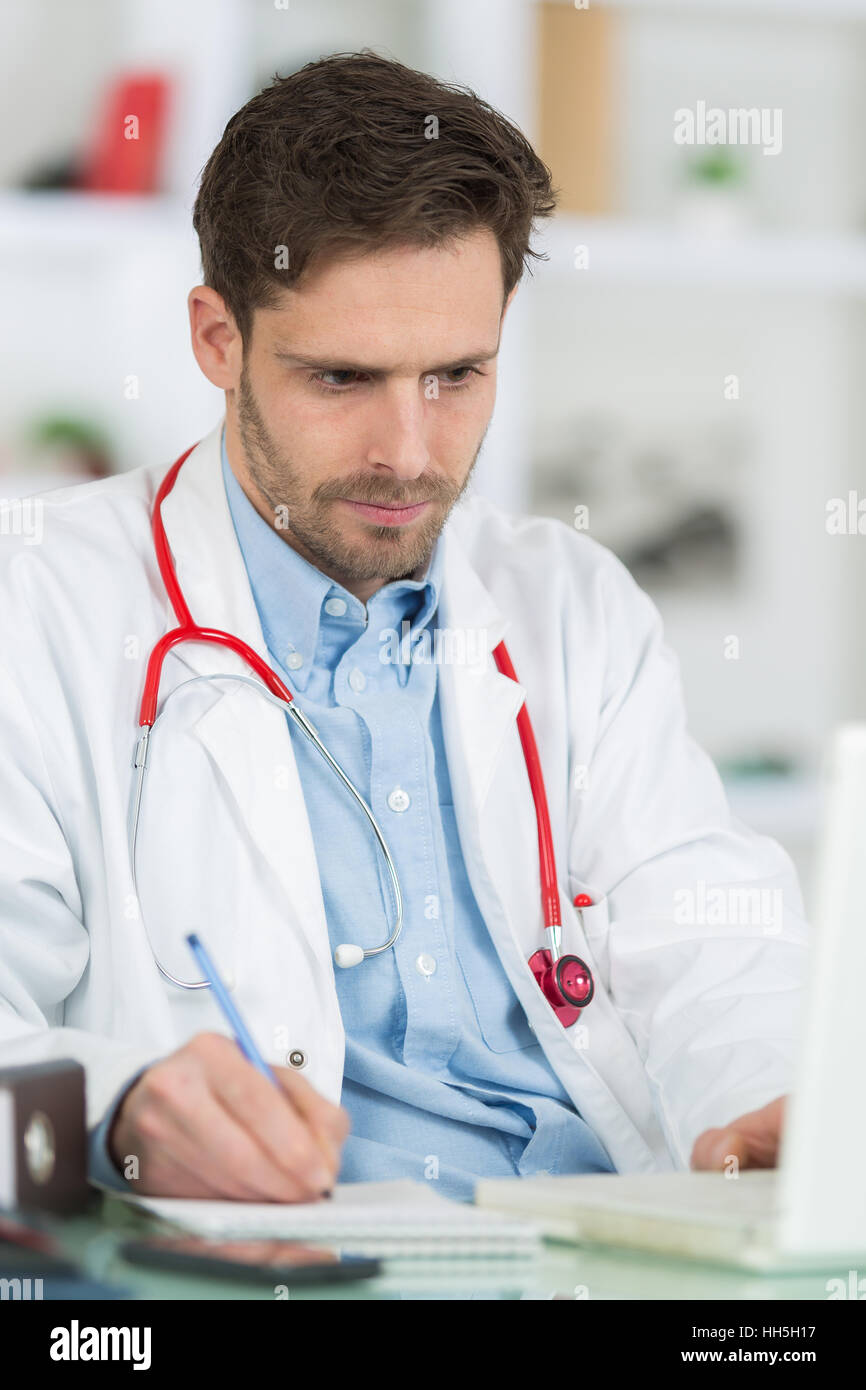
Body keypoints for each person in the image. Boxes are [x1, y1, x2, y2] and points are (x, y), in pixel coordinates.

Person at [0, 52, 808, 1204]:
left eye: (455, 375)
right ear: (217, 339)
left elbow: (710, 943)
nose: (410, 452)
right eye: (341, 377)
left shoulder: (571, 607)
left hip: (596, 1248)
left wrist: (758, 1106)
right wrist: (117, 1106)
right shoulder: (38, 604)